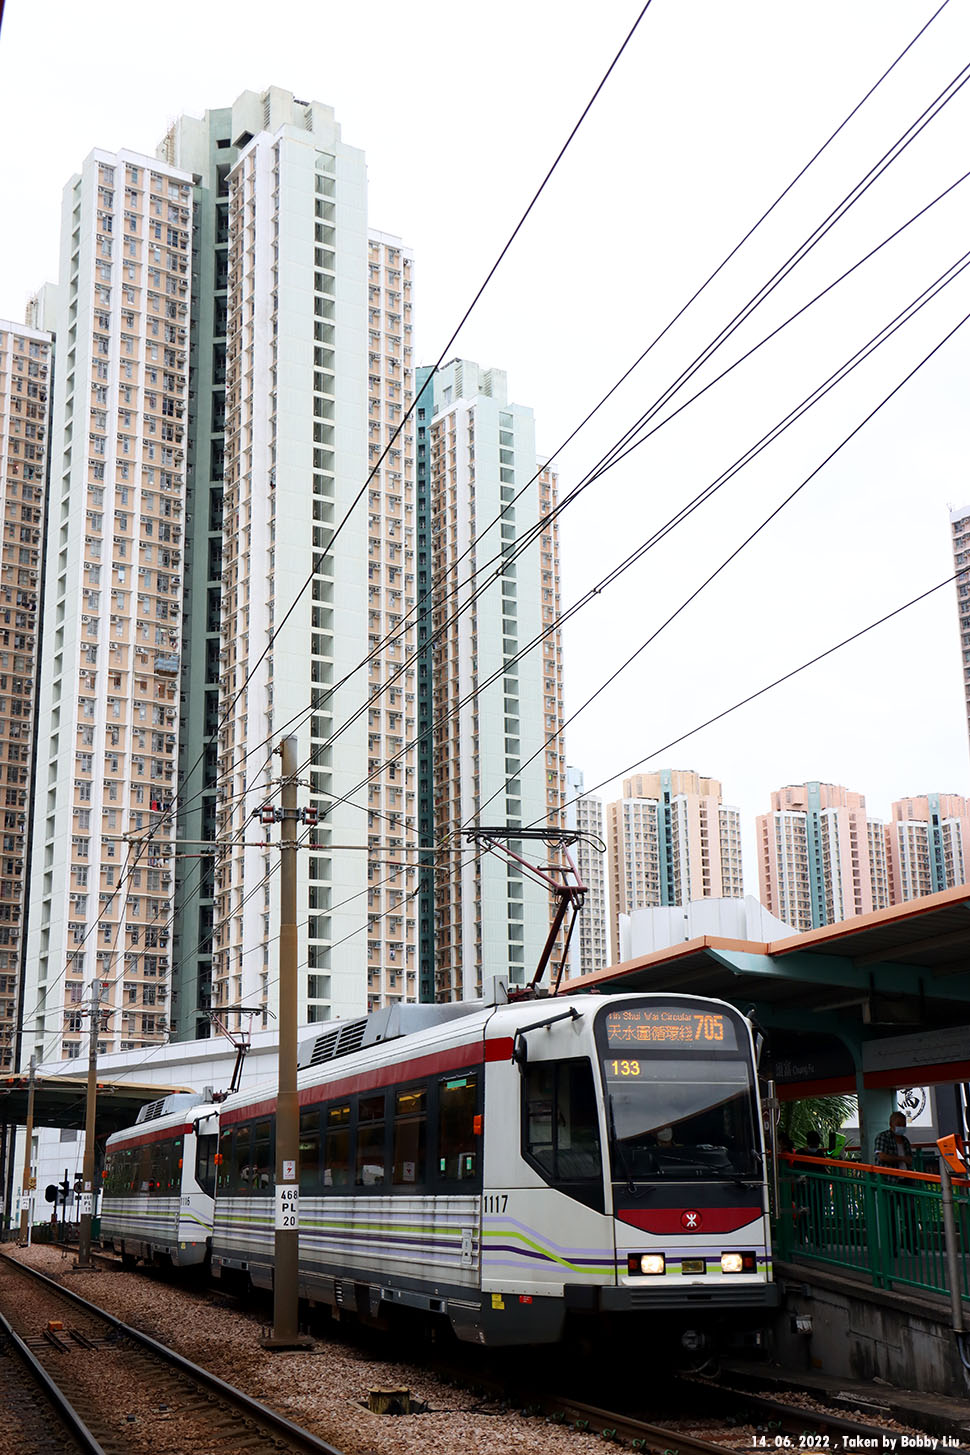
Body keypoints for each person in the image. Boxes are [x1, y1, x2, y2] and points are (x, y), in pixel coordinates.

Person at [874, 1111, 916, 1255]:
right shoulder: (883, 1137)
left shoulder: (905, 1141)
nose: (901, 1127)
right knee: (891, 1216)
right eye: (899, 1124)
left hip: (906, 1180)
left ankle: (911, 1245)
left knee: (910, 1214)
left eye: (903, 1125)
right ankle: (892, 1248)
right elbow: (882, 1156)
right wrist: (902, 1159)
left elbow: (910, 1159)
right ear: (891, 1124)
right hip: (890, 1182)